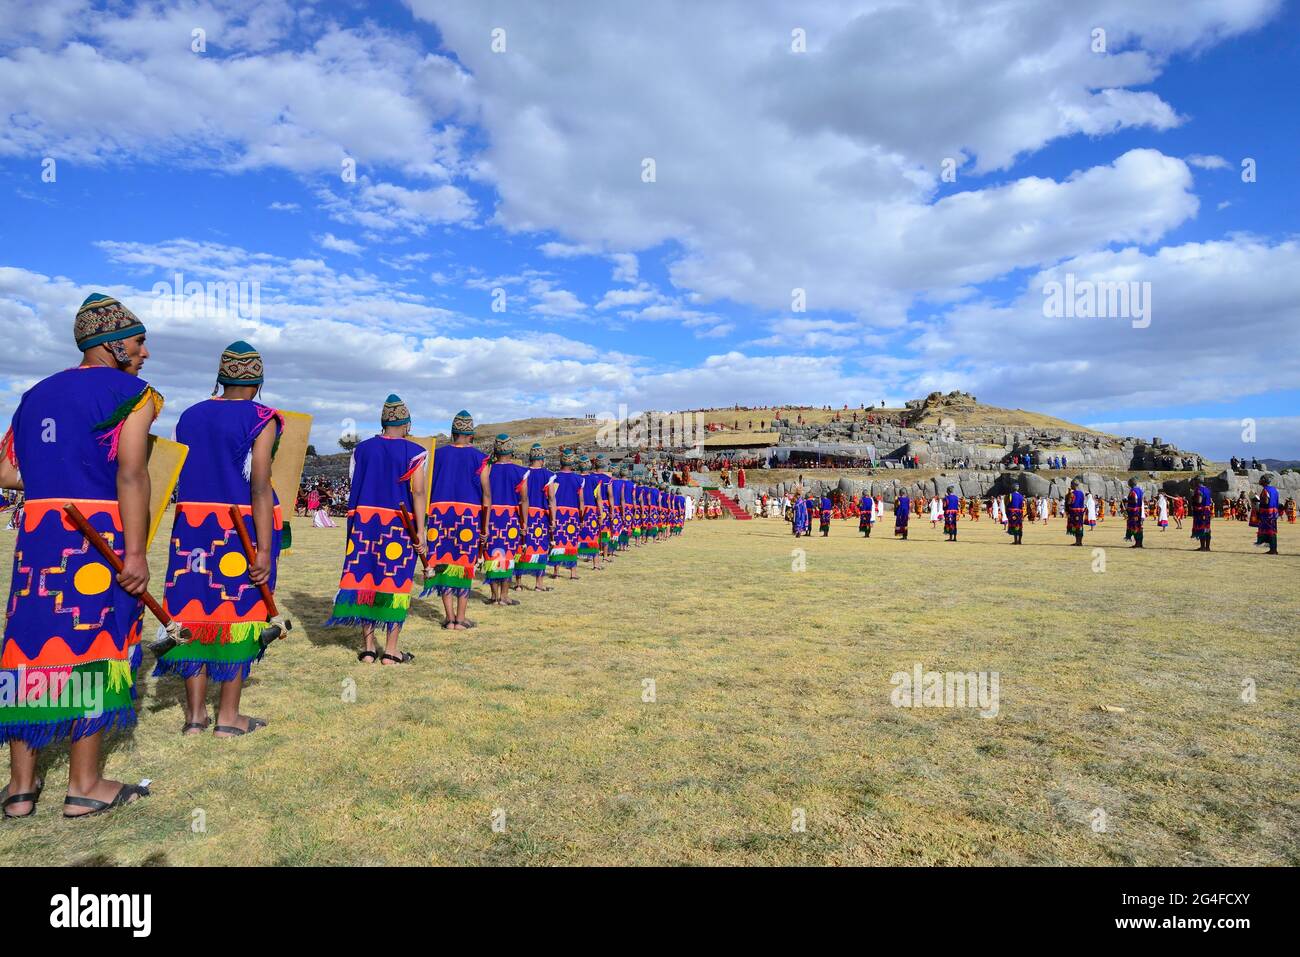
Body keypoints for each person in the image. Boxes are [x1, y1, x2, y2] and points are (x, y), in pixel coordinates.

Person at [0, 293, 157, 817]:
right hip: (97, 540)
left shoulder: (33, 395)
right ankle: (85, 784)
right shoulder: (135, 394)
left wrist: (51, 479)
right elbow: (132, 474)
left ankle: (20, 788)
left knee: (32, 646)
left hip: (40, 538)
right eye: (138, 342)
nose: (144, 353)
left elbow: (4, 473)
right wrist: (135, 554)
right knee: (97, 642)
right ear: (112, 345)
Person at [156, 342, 284, 735]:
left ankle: (195, 717)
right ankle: (228, 717)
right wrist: (263, 549)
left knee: (193, 611)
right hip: (237, 528)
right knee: (239, 614)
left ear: (220, 375)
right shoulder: (263, 418)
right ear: (259, 380)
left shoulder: (190, 415)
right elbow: (259, 487)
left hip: (191, 527)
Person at [323, 394, 426, 664]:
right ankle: (391, 651)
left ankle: (368, 648)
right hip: (399, 526)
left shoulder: (362, 450)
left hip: (364, 525)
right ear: (407, 424)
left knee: (366, 580)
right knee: (395, 583)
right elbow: (418, 493)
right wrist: (422, 532)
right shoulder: (415, 452)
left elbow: (355, 484)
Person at [422, 410, 489, 630]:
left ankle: (449, 617)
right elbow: (486, 494)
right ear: (471, 434)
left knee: (443, 563)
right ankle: (460, 618)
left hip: (439, 515)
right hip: (468, 517)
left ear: (453, 433)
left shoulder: (437, 456)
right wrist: (485, 525)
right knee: (463, 565)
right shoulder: (480, 458)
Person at [483, 435, 529, 605]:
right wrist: (525, 522)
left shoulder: (487, 470)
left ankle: (494, 596)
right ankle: (504, 596)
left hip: (491, 518)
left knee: (492, 555)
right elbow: (524, 499)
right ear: (511, 450)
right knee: (508, 555)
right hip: (511, 519)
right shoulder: (520, 472)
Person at [516, 444, 557, 590]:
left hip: (523, 513)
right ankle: (539, 584)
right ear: (542, 459)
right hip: (540, 516)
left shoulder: (522, 472)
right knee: (540, 546)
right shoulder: (547, 475)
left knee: (522, 545)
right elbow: (551, 498)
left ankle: (518, 583)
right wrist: (553, 519)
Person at [550, 450, 584, 580]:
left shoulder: (554, 477)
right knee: (572, 542)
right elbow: (581, 500)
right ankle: (573, 573)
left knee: (558, 541)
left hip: (558, 513)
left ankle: (556, 571)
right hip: (573, 514)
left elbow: (551, 497)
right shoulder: (579, 479)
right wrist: (581, 517)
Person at [577, 456, 603, 567]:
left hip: (578, 510)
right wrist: (600, 514)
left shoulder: (576, 478)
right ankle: (596, 564)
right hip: (591, 511)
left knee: (575, 536)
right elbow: (599, 498)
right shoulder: (595, 479)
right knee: (593, 536)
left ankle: (573, 565)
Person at [1255, 475, 1279, 555]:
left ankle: (1273, 550)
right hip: (1273, 512)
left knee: (1269, 530)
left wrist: (1257, 502)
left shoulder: (1265, 490)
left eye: (1261, 479)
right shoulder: (1274, 490)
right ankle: (1273, 548)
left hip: (1267, 513)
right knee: (1272, 530)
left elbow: (1265, 501)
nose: (1259, 481)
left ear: (1264, 481)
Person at [1191, 474, 1213, 551]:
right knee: (1207, 528)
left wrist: (1193, 499)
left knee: (1201, 528)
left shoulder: (1198, 489)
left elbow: (1199, 501)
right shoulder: (1207, 489)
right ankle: (1207, 547)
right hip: (1207, 511)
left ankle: (1203, 547)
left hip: (1200, 511)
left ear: (1197, 481)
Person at [1124, 478, 1145, 549]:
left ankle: (1137, 543)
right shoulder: (1140, 490)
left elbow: (1135, 499)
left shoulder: (1133, 491)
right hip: (1139, 510)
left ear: (1130, 484)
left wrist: (1130, 509)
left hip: (1134, 512)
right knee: (1139, 527)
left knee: (1134, 527)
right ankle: (1139, 543)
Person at [1065, 480, 1086, 546]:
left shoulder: (1072, 494)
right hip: (1080, 513)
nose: (1070, 486)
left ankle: (1078, 542)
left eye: (1071, 485)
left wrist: (1068, 494)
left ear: (1074, 485)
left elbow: (1069, 502)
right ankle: (1079, 541)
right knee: (1079, 526)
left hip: (1073, 513)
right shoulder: (1081, 493)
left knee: (1075, 526)